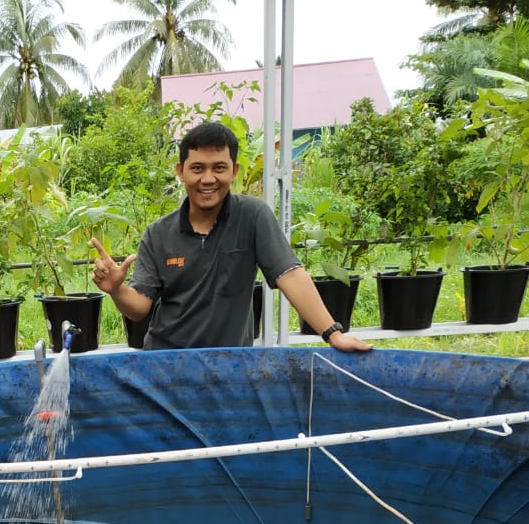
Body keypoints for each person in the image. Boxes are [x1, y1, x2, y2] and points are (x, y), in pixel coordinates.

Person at [90, 120, 372, 354]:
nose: (208, 179)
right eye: (198, 168)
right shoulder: (159, 233)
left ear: (234, 171)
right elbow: (139, 308)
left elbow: (290, 274)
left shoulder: (253, 216)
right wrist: (117, 289)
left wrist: (333, 333)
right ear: (181, 172)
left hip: (231, 365)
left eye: (219, 168)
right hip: (167, 363)